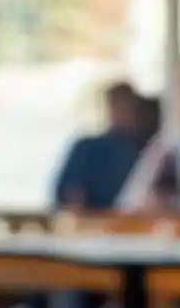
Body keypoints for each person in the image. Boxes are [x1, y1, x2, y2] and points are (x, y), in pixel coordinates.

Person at [53, 82, 148, 211]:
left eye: (126, 106)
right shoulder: (88, 149)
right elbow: (70, 196)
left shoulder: (151, 152)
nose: (121, 112)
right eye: (117, 105)